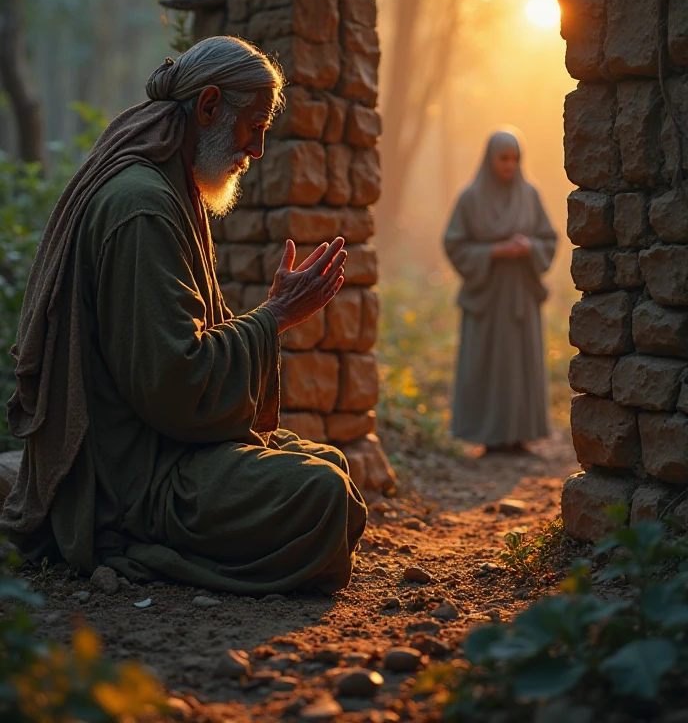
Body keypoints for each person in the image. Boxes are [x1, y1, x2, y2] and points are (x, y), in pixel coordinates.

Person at [0, 36, 367, 594]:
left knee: (331, 468)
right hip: (136, 480)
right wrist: (273, 317)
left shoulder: (170, 191)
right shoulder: (142, 206)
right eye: (254, 126)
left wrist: (269, 317)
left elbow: (183, 352)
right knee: (320, 496)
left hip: (169, 448)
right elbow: (175, 384)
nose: (258, 149)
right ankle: (124, 536)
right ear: (210, 106)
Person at [443, 130, 557, 454]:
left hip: (521, 294)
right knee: (486, 361)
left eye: (515, 158)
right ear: (490, 158)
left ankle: (521, 435)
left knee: (521, 363)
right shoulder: (470, 198)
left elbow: (548, 239)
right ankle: (489, 437)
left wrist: (529, 247)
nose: (509, 165)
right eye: (503, 158)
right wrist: (494, 251)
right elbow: (454, 243)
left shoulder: (531, 195)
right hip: (487, 295)